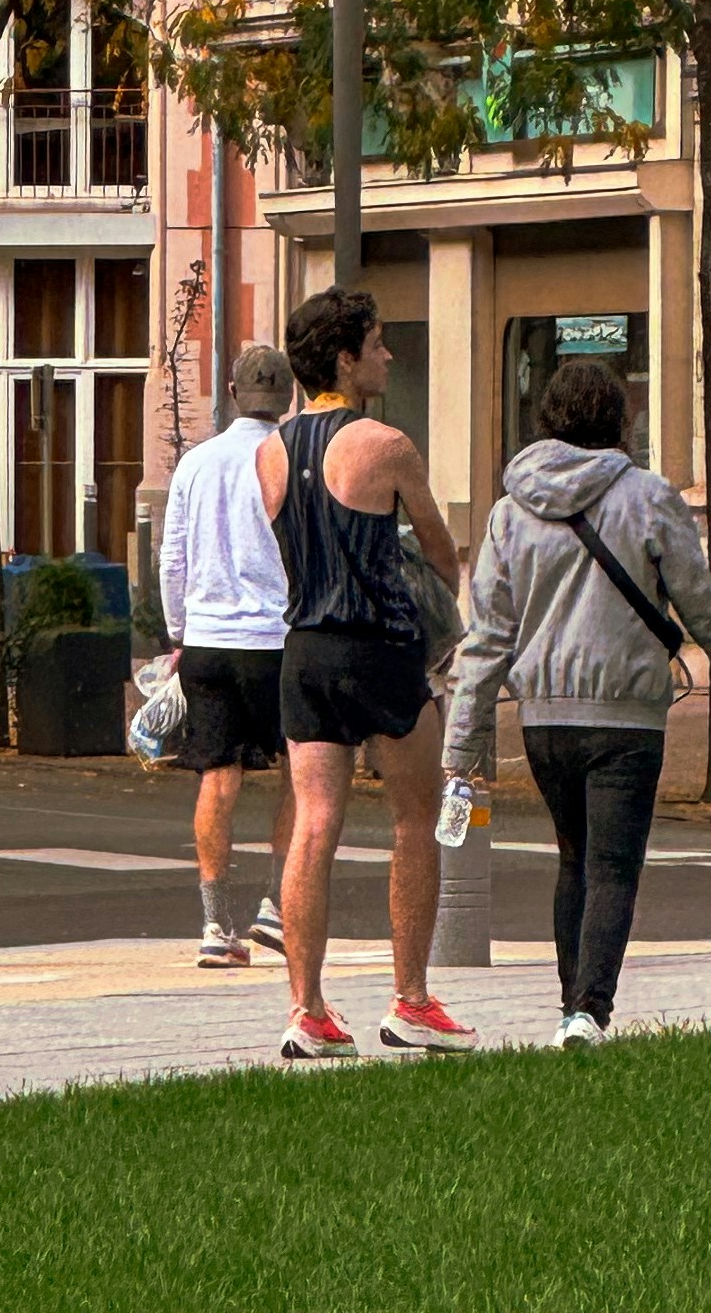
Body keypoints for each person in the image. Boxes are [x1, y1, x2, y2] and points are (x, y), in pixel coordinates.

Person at [444, 354, 711, 1045]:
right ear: (618, 420)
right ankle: (588, 1009)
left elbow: (487, 638)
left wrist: (463, 741)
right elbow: (704, 607)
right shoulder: (648, 497)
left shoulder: (510, 512)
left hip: (543, 720)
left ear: (548, 417)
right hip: (627, 717)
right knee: (613, 866)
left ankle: (572, 1003)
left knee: (572, 859)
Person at [255, 284, 471, 1061]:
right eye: (377, 344)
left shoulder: (270, 451)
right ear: (345, 359)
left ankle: (306, 1009)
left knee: (313, 826)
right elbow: (440, 551)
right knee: (416, 817)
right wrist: (439, 606)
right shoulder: (386, 445)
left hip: (305, 648)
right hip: (379, 646)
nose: (388, 355)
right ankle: (411, 999)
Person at [161, 343, 298, 970]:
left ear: (234, 393)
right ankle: (278, 907)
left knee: (217, 777)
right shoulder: (293, 457)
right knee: (302, 773)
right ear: (289, 398)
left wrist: (179, 632)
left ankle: (217, 925)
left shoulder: (196, 462)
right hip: (277, 639)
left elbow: (173, 557)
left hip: (209, 641)